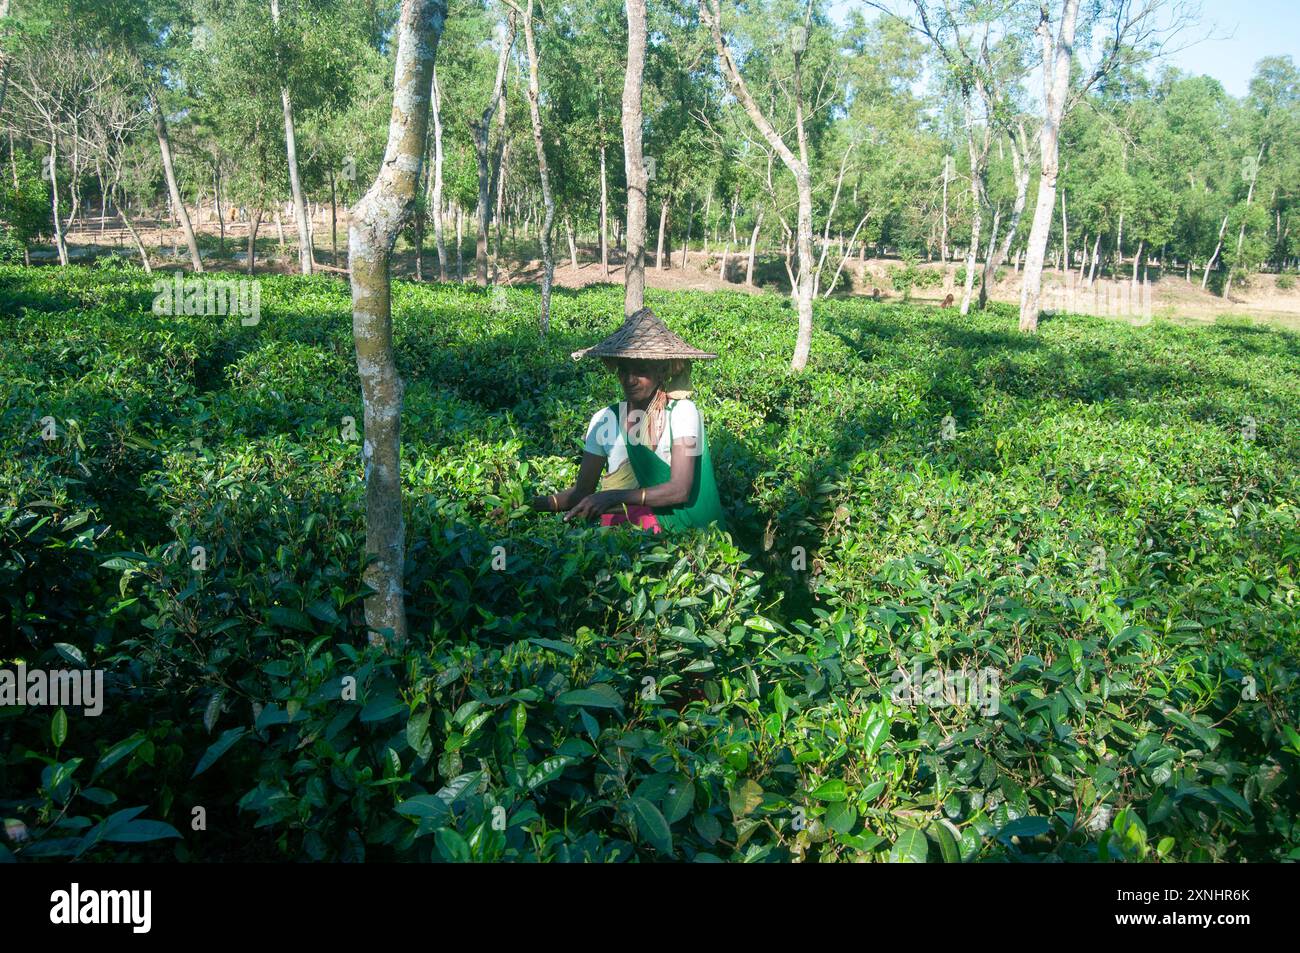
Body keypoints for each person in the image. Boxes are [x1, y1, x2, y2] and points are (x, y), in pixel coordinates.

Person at [530, 307, 725, 532]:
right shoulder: (605, 420)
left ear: (661, 372)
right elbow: (582, 493)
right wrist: (529, 505)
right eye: (623, 370)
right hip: (617, 538)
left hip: (676, 539)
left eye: (640, 370)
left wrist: (613, 497)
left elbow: (679, 489)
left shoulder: (683, 413)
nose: (629, 379)